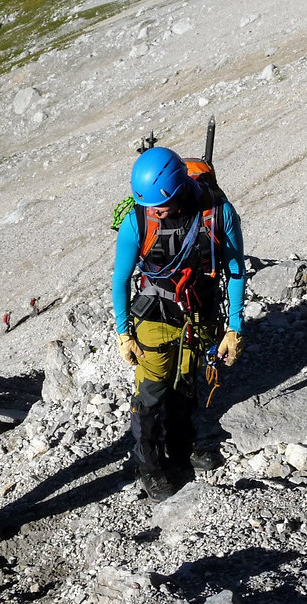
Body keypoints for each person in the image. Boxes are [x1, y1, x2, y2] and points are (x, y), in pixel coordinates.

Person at [112, 146, 246, 502]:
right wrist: (124, 332)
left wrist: (235, 326)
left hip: (200, 310)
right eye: (149, 205)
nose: (154, 211)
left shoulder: (218, 212)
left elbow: (235, 270)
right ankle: (148, 464)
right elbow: (121, 279)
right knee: (152, 389)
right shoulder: (137, 220)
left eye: (161, 204)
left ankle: (182, 447)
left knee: (186, 380)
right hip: (154, 313)